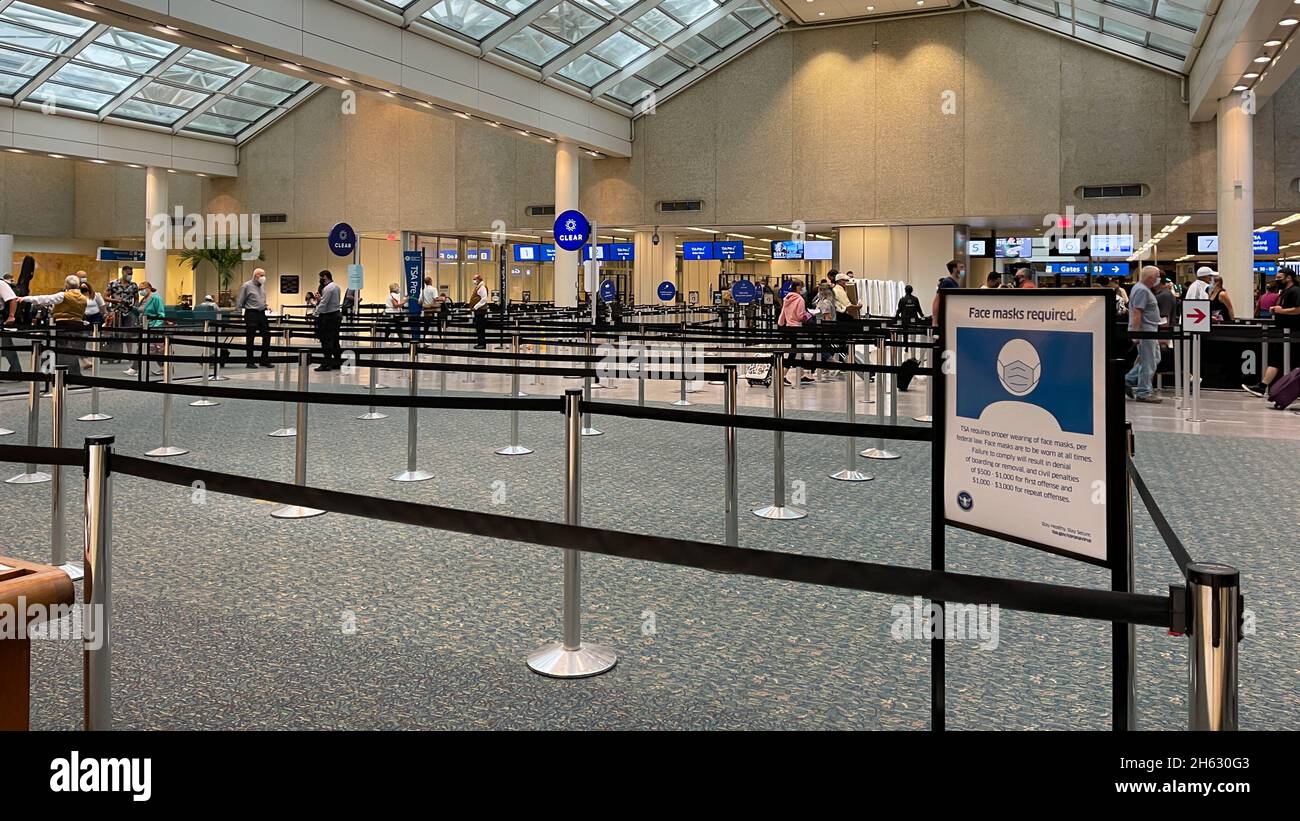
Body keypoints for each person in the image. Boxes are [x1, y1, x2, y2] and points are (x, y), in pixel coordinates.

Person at [1244, 268, 1300, 397]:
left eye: (1280, 278)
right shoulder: (1284, 292)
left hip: (1292, 333)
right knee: (1277, 359)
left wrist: (1281, 311)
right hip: (1283, 332)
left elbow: (1298, 309)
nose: (1277, 280)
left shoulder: (1295, 291)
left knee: (1278, 359)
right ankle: (1262, 387)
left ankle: (1263, 387)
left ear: (1289, 278)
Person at [22, 274, 88, 376]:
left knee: (60, 349)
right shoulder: (83, 298)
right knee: (72, 350)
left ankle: (59, 374)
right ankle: (74, 373)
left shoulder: (63, 295)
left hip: (62, 325)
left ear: (66, 285)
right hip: (78, 325)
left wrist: (25, 299)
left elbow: (45, 299)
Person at [1124, 266, 1163, 403]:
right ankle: (1144, 392)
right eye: (1157, 276)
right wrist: (1136, 334)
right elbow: (1137, 313)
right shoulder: (1142, 290)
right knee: (1148, 361)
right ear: (1150, 277)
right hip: (1145, 332)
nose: (1158, 279)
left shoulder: (1142, 289)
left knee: (1154, 358)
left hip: (1150, 331)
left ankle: (1128, 380)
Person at [778, 281, 816, 385]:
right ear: (798, 288)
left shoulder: (787, 298)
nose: (803, 289)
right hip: (797, 328)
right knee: (794, 352)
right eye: (802, 287)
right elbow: (800, 316)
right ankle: (783, 374)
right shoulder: (800, 299)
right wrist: (808, 316)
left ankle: (802, 374)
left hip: (789, 327)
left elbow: (783, 313)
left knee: (799, 350)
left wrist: (781, 324)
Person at [234, 268, 273, 368]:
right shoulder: (246, 286)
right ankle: (250, 361)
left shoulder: (262, 286)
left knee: (267, 336)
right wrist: (238, 315)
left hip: (261, 313)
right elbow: (240, 301)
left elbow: (261, 299)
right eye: (262, 275)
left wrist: (266, 305)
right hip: (251, 314)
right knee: (250, 338)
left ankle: (264, 360)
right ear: (256, 276)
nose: (264, 277)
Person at [104, 266, 139, 361]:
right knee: (115, 333)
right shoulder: (113, 284)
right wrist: (115, 300)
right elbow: (105, 297)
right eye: (128, 273)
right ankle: (116, 354)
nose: (130, 275)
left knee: (129, 333)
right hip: (116, 311)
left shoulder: (134, 285)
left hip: (128, 312)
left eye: (131, 274)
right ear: (123, 272)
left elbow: (136, 298)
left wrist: (134, 307)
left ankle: (129, 354)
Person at [314, 270, 342, 371]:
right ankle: (337, 362)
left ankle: (326, 364)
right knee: (335, 341)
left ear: (325, 277)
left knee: (326, 341)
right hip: (336, 315)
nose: (319, 280)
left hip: (329, 317)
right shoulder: (336, 286)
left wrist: (315, 314)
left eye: (320, 277)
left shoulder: (328, 288)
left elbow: (323, 304)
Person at [0, 272, 22, 375]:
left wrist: (11, 316)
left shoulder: (1, 284)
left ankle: (16, 370)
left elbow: (12, 299)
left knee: (6, 344)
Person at [469, 273, 489, 349]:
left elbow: (484, 299)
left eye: (475, 279)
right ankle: (480, 342)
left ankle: (482, 344)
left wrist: (476, 307)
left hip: (480, 310)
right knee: (478, 327)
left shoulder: (482, 287)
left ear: (479, 279)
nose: (473, 281)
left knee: (480, 328)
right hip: (478, 311)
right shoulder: (478, 287)